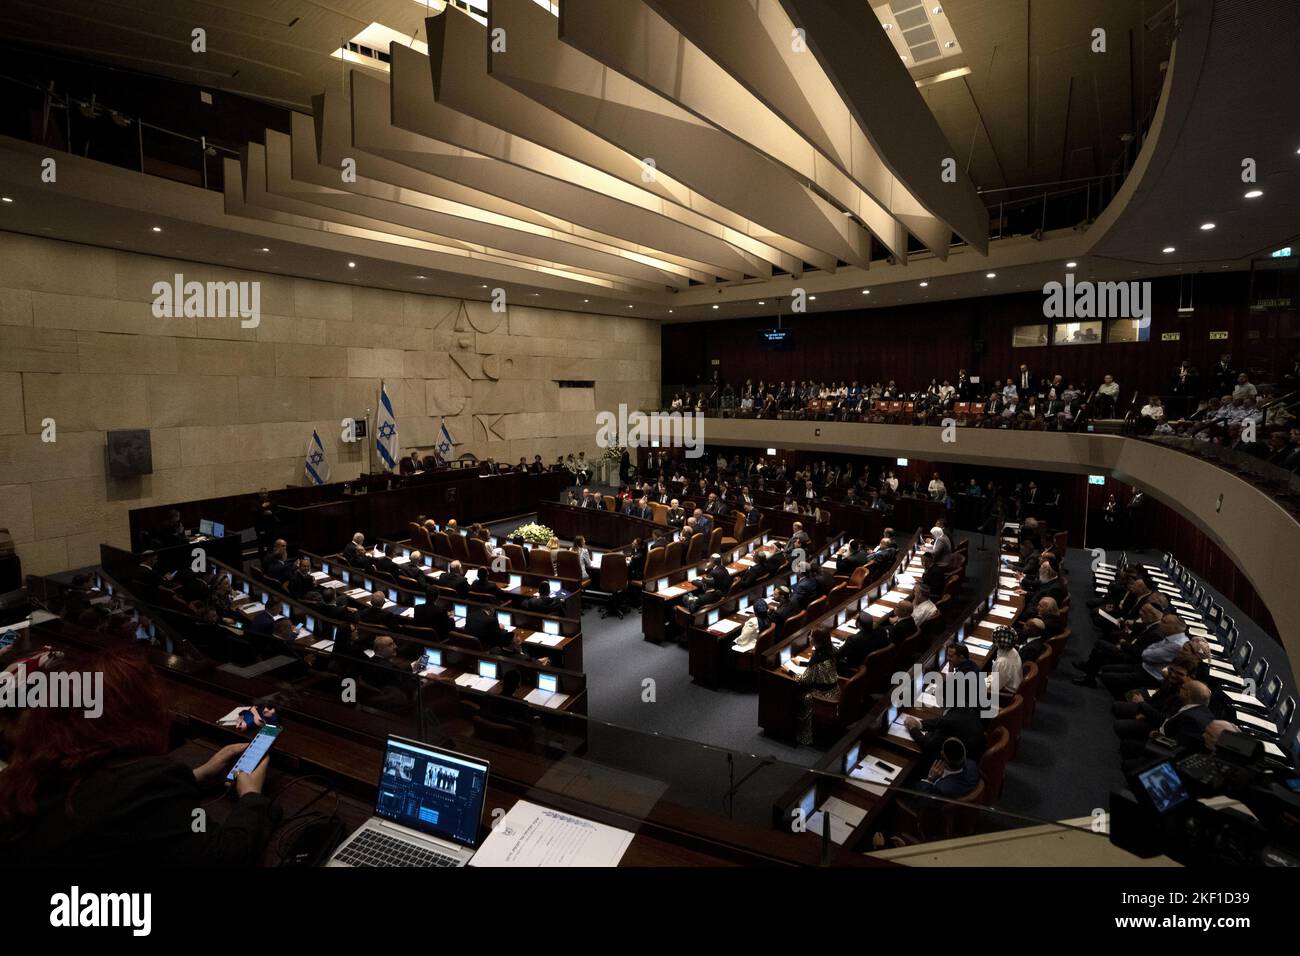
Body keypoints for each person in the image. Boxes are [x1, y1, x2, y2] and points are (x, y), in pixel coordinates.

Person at [0, 647, 273, 865]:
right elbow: (225, 855)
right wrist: (251, 795)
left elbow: (102, 801)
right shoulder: (146, 784)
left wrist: (196, 776)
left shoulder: (31, 769)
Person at [795, 629, 840, 745]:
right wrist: (802, 663)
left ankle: (804, 736)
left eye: (811, 636)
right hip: (835, 690)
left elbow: (805, 680)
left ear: (816, 641)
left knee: (799, 695)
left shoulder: (817, 659)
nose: (809, 637)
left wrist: (790, 672)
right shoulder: (832, 650)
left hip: (821, 695)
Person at [986, 626, 1023, 696]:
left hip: (1005, 694)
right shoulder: (1013, 650)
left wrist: (984, 681)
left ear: (997, 642)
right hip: (1011, 684)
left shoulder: (1002, 662)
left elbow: (993, 688)